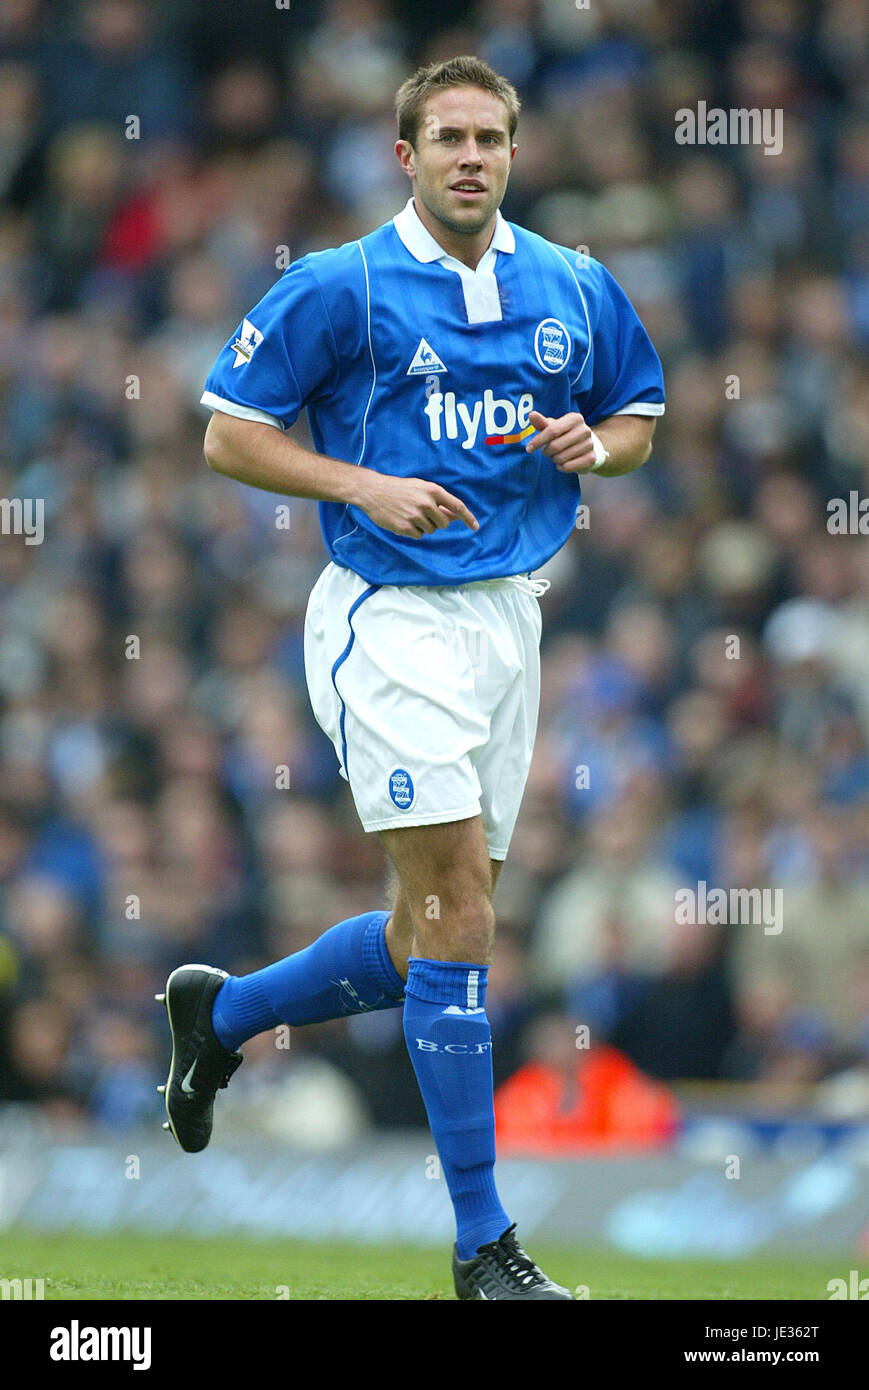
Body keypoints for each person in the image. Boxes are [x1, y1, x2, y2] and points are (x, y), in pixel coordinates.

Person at [155, 54, 664, 1301]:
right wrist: (363, 482)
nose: (471, 156)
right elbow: (227, 431)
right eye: (447, 137)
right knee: (460, 923)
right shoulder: (340, 284)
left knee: (431, 931)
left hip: (509, 617)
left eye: (490, 137)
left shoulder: (572, 283)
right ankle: (482, 1245)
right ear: (406, 156)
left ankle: (218, 1019)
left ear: (512, 151)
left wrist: (597, 445)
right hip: (387, 615)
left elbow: (642, 416)